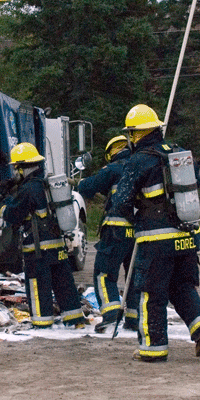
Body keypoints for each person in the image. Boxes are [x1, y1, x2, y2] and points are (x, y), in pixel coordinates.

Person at [108, 104, 200, 362]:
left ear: (136, 134)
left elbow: (120, 202)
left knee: (151, 293)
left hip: (157, 240)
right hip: (188, 236)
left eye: (131, 133)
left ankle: (152, 349)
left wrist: (136, 219)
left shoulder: (138, 161)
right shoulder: (179, 153)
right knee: (182, 286)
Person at [0, 142, 86, 329]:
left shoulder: (28, 189)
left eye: (16, 168)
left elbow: (12, 214)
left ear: (22, 168)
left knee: (38, 286)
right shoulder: (45, 184)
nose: (15, 172)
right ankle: (75, 320)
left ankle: (42, 324)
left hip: (38, 250)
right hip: (57, 246)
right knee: (64, 285)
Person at [74, 135, 138, 333]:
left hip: (116, 232)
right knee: (133, 276)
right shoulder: (140, 166)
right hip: (138, 233)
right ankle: (134, 319)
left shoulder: (113, 168)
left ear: (111, 153)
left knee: (104, 275)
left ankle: (110, 316)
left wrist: (80, 182)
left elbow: (87, 187)